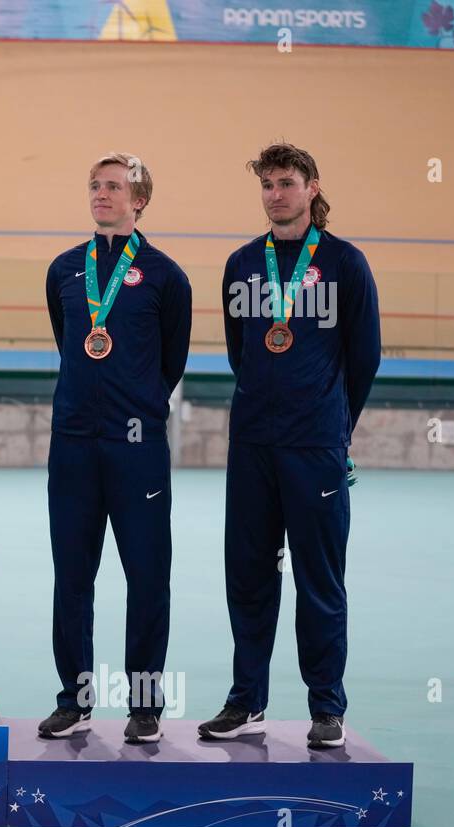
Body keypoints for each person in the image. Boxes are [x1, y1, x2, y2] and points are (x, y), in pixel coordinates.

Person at [199, 143, 381, 749]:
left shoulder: (345, 263)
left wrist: (335, 426)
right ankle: (246, 701)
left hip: (315, 447)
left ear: (312, 188)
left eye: (286, 183)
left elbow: (365, 356)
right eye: (268, 184)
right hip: (252, 443)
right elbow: (239, 350)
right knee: (249, 577)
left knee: (319, 579)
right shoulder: (242, 263)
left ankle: (326, 707)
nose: (275, 193)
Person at [39, 152, 192, 744]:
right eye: (95, 185)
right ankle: (75, 701)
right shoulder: (63, 270)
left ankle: (145, 705)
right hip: (74, 444)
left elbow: (170, 361)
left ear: (140, 200)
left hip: (138, 448)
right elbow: (68, 343)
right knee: (73, 576)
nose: (101, 194)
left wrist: (138, 409)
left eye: (114, 187)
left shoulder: (165, 275)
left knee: (148, 577)